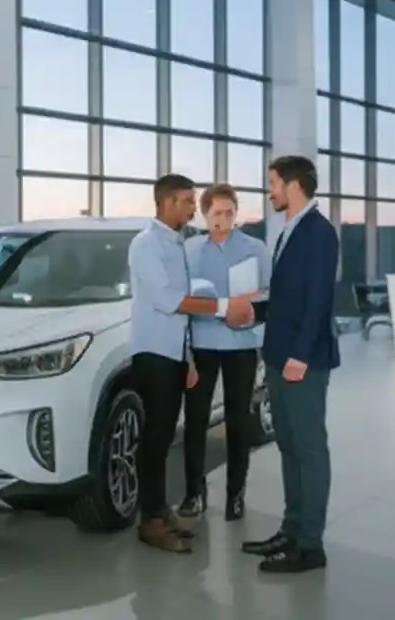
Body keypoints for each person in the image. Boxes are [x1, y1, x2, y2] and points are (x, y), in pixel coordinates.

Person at [128, 174, 254, 553]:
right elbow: (169, 299)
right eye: (186, 200)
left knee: (165, 437)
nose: (190, 207)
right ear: (166, 202)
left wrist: (187, 358)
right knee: (155, 439)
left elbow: (179, 309)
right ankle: (149, 521)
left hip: (172, 354)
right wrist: (222, 307)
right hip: (152, 354)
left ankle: (159, 511)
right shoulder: (147, 244)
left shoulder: (174, 243)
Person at [242, 155, 341, 574]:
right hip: (281, 356)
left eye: (275, 183)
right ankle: (292, 528)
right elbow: (289, 297)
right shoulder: (289, 230)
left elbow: (318, 300)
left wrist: (299, 355)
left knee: (309, 450)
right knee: (288, 446)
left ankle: (310, 546)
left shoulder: (319, 233)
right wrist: (255, 307)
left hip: (303, 360)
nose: (271, 191)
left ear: (294, 185)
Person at [178, 184, 271, 523]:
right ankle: (194, 493)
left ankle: (235, 496)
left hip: (242, 345)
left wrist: (250, 305)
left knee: (238, 420)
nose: (224, 219)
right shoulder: (188, 251)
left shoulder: (254, 249)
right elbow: (179, 303)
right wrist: (185, 354)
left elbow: (270, 295)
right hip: (201, 344)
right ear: (205, 214)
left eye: (229, 212)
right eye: (217, 213)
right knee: (196, 421)